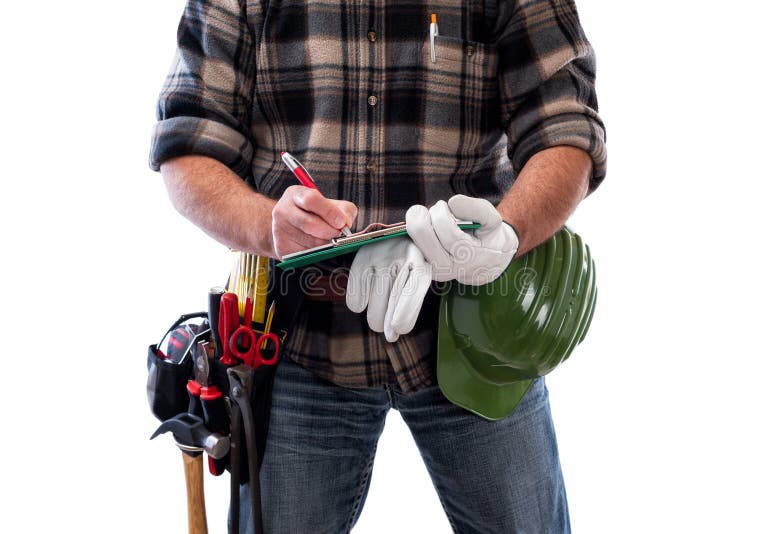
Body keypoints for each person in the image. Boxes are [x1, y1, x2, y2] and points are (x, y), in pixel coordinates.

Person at [150, 0, 606, 531]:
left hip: (478, 331)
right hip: (300, 342)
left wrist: (507, 231)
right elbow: (188, 146)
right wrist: (266, 225)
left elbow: (566, 126)